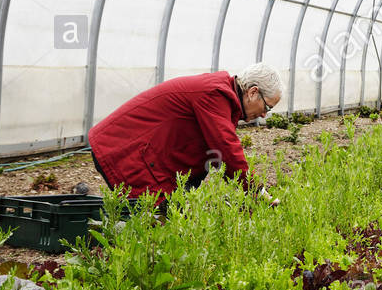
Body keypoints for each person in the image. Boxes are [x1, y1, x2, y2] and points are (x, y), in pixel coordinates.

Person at [87, 63, 282, 200]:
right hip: (124, 152)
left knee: (163, 229)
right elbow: (226, 150)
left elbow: (214, 155)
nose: (264, 115)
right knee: (155, 234)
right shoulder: (214, 94)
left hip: (141, 156)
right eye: (268, 107)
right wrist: (257, 191)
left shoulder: (222, 99)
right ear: (253, 92)